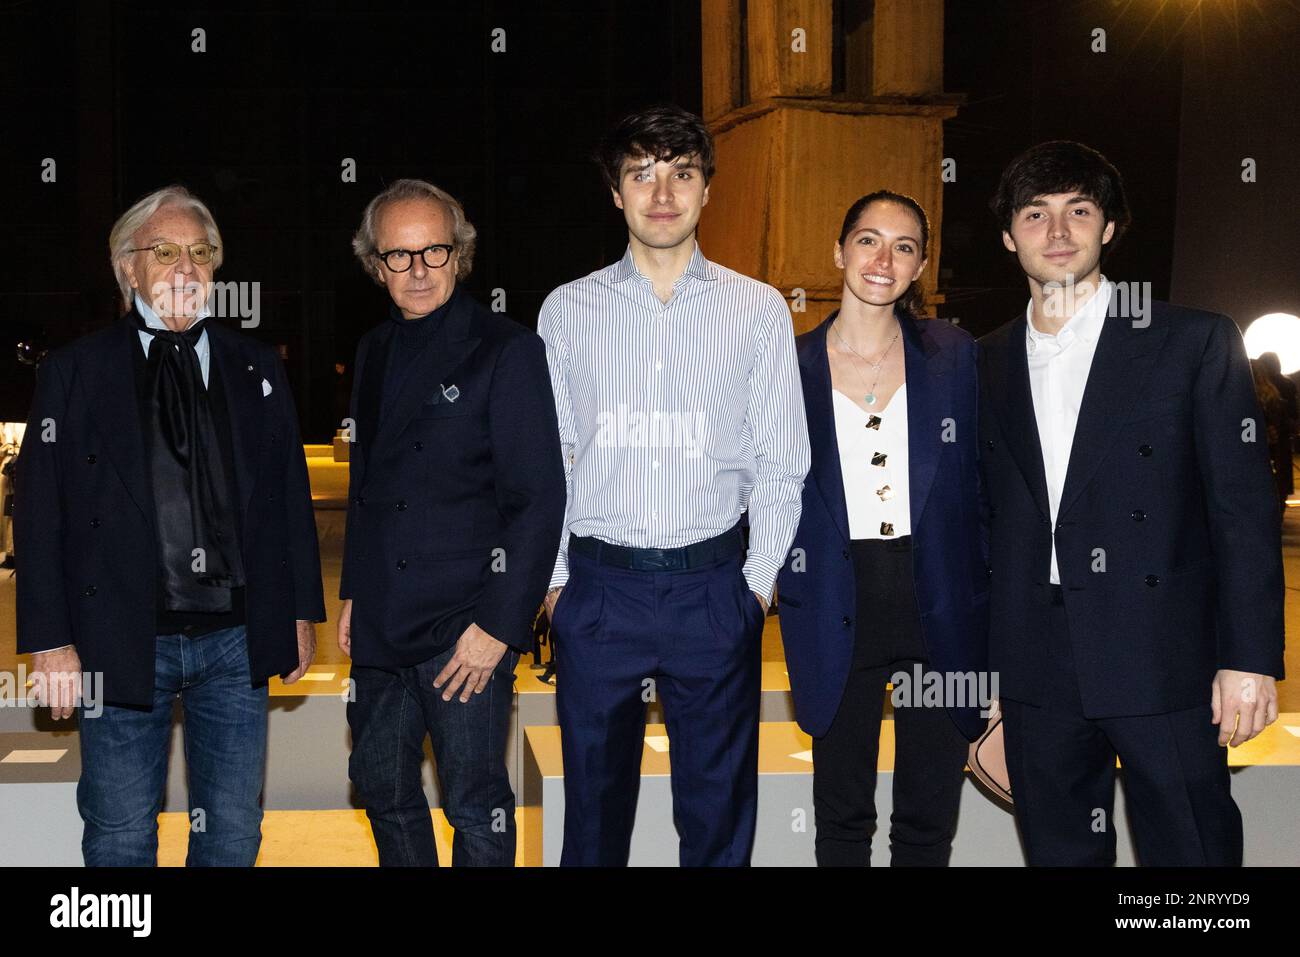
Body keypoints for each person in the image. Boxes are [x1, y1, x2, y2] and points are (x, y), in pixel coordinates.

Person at [978, 141, 1284, 866]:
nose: (1057, 232)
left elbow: (1241, 510)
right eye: (1035, 214)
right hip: (1036, 661)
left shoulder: (1191, 340)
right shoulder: (982, 360)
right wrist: (983, 671)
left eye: (1078, 211)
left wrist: (1248, 658)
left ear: (1108, 228)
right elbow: (978, 524)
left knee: (1192, 856)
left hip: (1162, 651)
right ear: (1008, 236)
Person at [15, 185, 324, 866]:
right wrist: (49, 642)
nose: (186, 267)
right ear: (129, 267)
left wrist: (299, 611)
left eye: (200, 252)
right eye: (165, 251)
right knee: (121, 835)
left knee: (234, 835)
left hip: (235, 642)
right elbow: (40, 514)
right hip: (122, 639)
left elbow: (286, 498)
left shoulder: (258, 367)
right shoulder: (74, 373)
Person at [538, 104, 810, 866]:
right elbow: (550, 460)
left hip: (714, 590)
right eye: (642, 174)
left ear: (707, 191)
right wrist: (558, 584)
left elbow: (782, 463)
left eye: (682, 174)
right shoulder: (567, 309)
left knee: (719, 814)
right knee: (591, 814)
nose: (663, 193)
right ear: (615, 193)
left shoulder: (757, 310)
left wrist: (755, 589)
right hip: (597, 593)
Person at [339, 179, 565, 866]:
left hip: (464, 624)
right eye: (398, 256)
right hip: (381, 620)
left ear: (459, 253)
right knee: (381, 785)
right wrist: (352, 589)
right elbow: (366, 485)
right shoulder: (373, 350)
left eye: (433, 251)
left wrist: (500, 627)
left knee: (475, 801)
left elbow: (539, 497)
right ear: (376, 265)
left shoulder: (507, 348)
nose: (417, 271)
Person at [776, 191, 989, 866]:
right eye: (867, 240)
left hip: (941, 605)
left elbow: (985, 488)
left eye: (903, 246)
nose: (882, 258)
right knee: (842, 816)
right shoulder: (786, 363)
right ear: (839, 252)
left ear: (920, 264)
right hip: (837, 603)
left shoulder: (954, 356)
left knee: (928, 818)